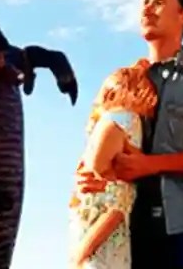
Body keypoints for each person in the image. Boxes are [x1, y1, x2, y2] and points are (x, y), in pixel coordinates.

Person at [76, 0, 183, 269]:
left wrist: (152, 164)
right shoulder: (127, 83)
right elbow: (99, 143)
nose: (147, 10)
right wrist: (88, 173)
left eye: (158, 3)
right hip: (131, 226)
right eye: (144, 4)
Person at [66, 60, 159, 268]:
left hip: (98, 243)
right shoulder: (130, 125)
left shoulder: (119, 120)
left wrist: (83, 252)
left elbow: (116, 202)